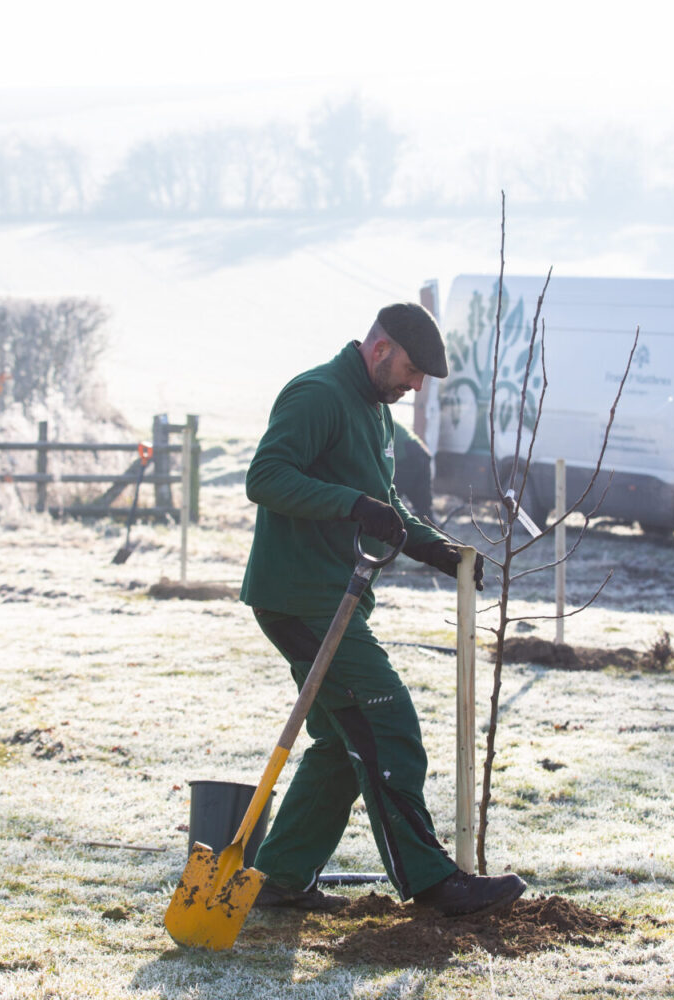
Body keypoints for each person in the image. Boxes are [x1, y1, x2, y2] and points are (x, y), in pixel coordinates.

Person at [240, 302, 527, 917]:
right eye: (413, 369)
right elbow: (264, 477)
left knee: (345, 743)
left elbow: (386, 506)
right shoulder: (318, 395)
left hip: (331, 599)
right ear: (380, 349)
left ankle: (280, 877)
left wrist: (442, 553)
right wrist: (350, 504)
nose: (417, 384)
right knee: (387, 719)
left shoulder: (372, 411)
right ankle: (431, 883)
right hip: (301, 597)